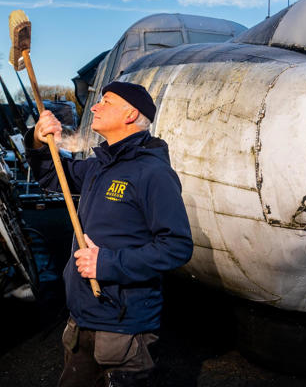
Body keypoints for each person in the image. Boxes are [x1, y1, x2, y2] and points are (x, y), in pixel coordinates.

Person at [25, 81, 193, 387]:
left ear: (130, 114)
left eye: (106, 101)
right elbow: (52, 176)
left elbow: (177, 247)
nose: (94, 106)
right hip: (82, 317)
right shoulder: (99, 167)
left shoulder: (153, 173)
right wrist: (38, 141)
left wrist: (106, 264)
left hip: (122, 325)